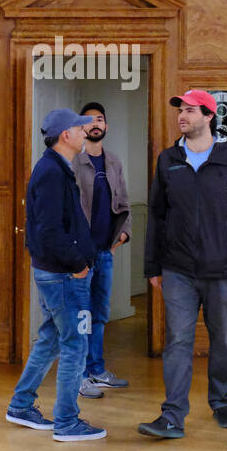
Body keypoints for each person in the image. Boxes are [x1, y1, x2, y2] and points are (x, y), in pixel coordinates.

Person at [138, 89, 227, 438]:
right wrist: (152, 267)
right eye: (180, 110)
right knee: (178, 341)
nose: (182, 116)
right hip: (177, 269)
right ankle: (172, 416)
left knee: (221, 339)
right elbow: (157, 215)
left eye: (190, 110)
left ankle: (221, 401)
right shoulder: (169, 160)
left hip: (221, 270)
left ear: (210, 116)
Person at [6, 108, 106, 442]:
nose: (85, 131)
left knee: (50, 339)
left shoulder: (55, 168)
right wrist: (78, 265)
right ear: (66, 134)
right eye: (80, 128)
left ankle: (21, 404)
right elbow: (49, 231)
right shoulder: (51, 171)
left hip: (57, 274)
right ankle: (66, 422)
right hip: (65, 277)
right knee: (76, 342)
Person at [72, 102, 132, 397]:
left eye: (101, 120)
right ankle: (80, 375)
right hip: (80, 255)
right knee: (81, 314)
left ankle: (97, 370)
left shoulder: (114, 162)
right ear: (82, 128)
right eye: (90, 120)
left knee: (100, 313)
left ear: (106, 127)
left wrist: (123, 235)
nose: (96, 124)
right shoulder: (72, 162)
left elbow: (124, 203)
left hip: (105, 253)